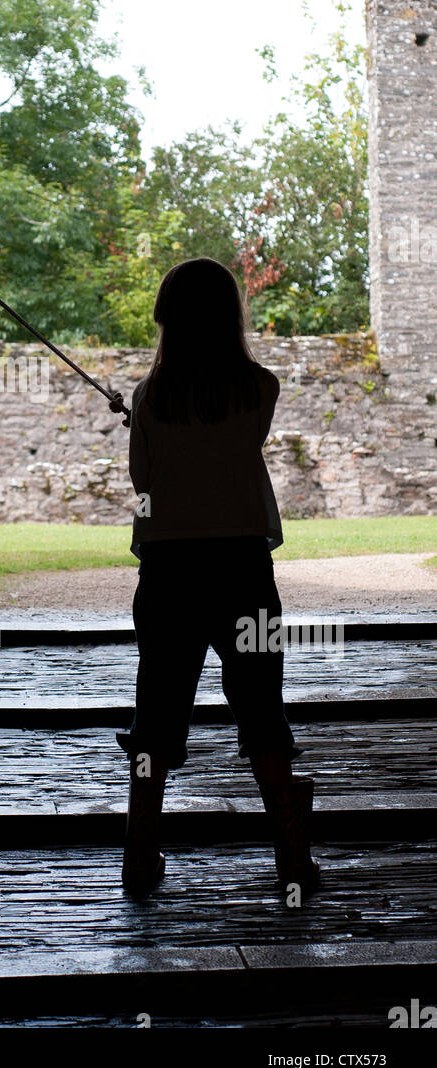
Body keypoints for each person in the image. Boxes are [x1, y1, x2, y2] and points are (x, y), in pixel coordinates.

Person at [108, 258, 321, 899]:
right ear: (232, 317)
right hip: (243, 572)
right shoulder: (262, 387)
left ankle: (140, 856)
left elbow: (146, 484)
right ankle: (291, 859)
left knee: (157, 715)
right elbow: (227, 441)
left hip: (170, 574)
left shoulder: (149, 397)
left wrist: (145, 427)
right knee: (261, 710)